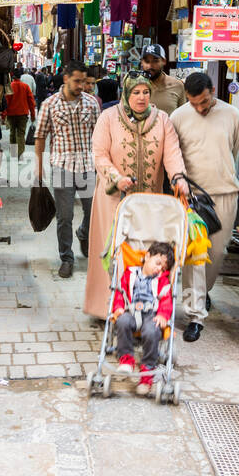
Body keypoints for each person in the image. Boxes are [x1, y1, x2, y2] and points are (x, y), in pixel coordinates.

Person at [84, 73, 189, 318]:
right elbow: (99, 154)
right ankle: (107, 308)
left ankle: (146, 307)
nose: (141, 98)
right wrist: (115, 177)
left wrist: (179, 178)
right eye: (135, 92)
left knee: (147, 252)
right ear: (126, 93)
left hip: (150, 202)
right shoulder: (108, 118)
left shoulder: (162, 120)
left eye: (145, 92)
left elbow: (172, 154)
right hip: (114, 201)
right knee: (114, 251)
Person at [170, 71, 239, 342]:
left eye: (203, 101)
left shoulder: (232, 114)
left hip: (225, 193)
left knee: (217, 253)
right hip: (193, 198)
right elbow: (174, 156)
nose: (199, 108)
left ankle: (203, 294)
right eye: (194, 103)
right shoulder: (178, 117)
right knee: (195, 257)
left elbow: (234, 150)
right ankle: (195, 315)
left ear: (212, 90)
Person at [34, 63, 100, 278]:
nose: (82, 85)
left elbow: (99, 137)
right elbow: (40, 136)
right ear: (66, 79)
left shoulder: (91, 103)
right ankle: (66, 257)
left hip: (89, 167)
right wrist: (38, 167)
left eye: (84, 81)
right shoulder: (49, 104)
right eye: (77, 81)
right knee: (64, 217)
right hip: (62, 167)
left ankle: (83, 233)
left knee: (93, 213)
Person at [111, 240, 176, 395]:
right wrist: (118, 307)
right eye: (157, 263)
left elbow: (166, 300)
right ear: (147, 256)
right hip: (131, 311)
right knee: (122, 321)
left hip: (152, 315)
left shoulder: (162, 281)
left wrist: (163, 315)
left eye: (163, 267)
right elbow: (120, 292)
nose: (159, 268)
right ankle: (126, 359)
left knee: (152, 332)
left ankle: (147, 372)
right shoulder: (130, 273)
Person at [140, 43, 185, 114]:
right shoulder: (134, 85)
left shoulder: (177, 85)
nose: (150, 66)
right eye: (146, 61)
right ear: (141, 62)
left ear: (164, 61)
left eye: (155, 61)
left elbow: (182, 116)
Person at [3, 68, 36, 159]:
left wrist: (4, 114)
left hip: (11, 114)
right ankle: (20, 154)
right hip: (23, 114)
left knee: (12, 132)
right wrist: (33, 115)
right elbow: (31, 102)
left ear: (13, 77)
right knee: (21, 134)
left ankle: (13, 153)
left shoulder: (10, 86)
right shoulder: (25, 87)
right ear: (20, 76)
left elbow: (6, 102)